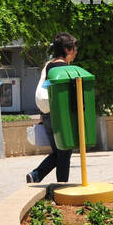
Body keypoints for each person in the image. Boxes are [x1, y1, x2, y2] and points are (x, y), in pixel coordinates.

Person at [26, 32, 78, 184]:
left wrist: (42, 115)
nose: (75, 53)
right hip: (58, 115)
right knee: (65, 150)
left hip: (47, 113)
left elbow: (45, 88)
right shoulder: (62, 68)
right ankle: (61, 186)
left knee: (59, 152)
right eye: (74, 49)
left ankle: (35, 175)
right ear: (67, 50)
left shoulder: (49, 65)